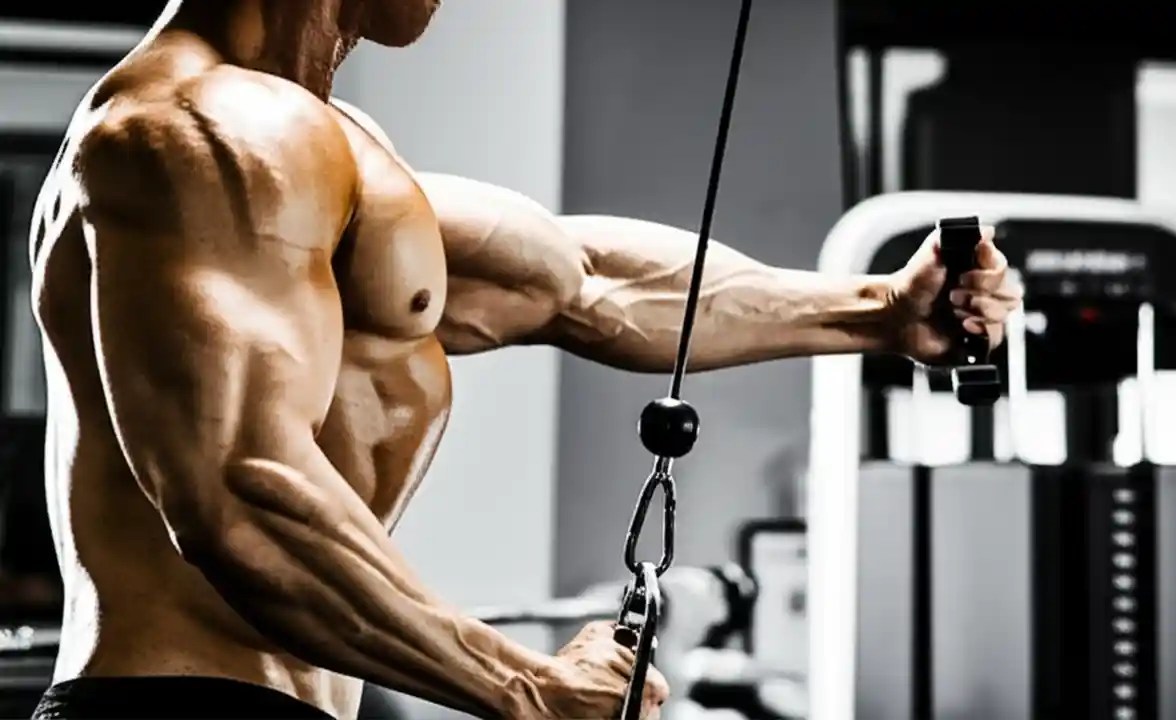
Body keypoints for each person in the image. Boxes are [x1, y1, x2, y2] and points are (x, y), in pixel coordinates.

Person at [25, 0, 1023, 718]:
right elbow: (237, 492)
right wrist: (526, 688)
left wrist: (878, 312)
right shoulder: (199, 133)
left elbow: (582, 283)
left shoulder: (317, 145)